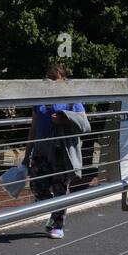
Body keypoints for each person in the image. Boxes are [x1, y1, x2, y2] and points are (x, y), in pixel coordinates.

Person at [25, 66, 91, 239]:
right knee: (37, 188)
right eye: (48, 78)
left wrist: (64, 118)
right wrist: (26, 154)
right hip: (41, 151)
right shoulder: (39, 101)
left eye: (54, 78)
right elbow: (33, 128)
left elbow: (85, 124)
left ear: (63, 80)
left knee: (60, 188)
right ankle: (54, 215)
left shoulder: (72, 101)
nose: (50, 81)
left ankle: (57, 224)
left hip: (62, 151)